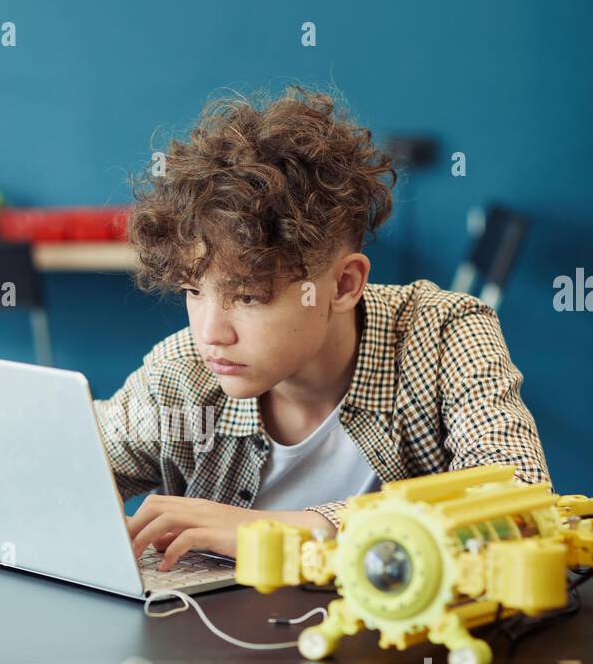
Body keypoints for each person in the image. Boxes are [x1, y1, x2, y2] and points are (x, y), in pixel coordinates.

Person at [94, 86, 551, 572]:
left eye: (247, 297)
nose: (211, 333)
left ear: (344, 284)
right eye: (193, 290)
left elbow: (518, 499)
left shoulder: (441, 334)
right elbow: (59, 472)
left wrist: (294, 529)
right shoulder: (182, 372)